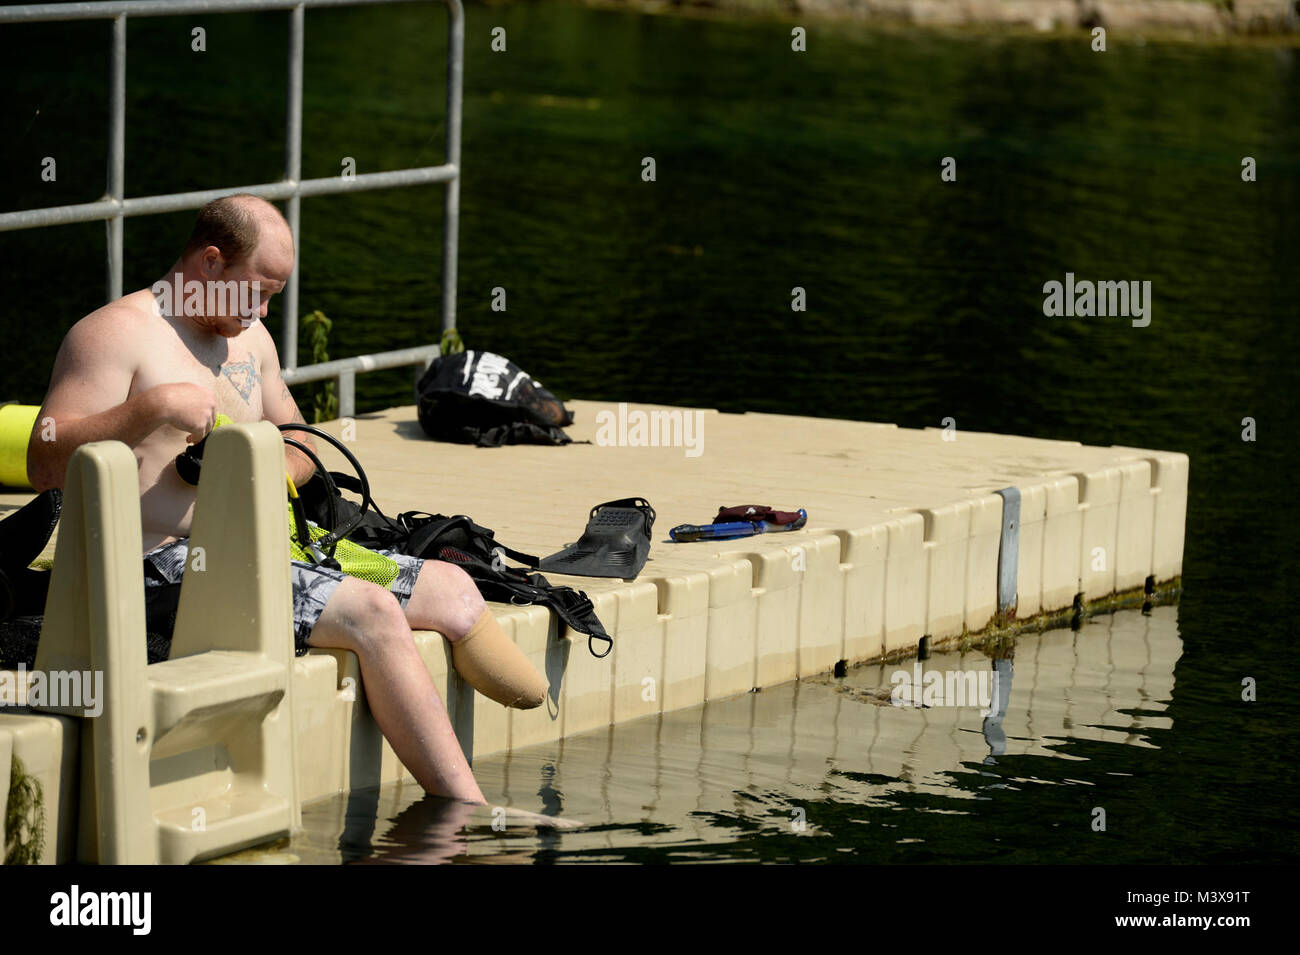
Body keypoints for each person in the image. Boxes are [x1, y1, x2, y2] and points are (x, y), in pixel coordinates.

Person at [25, 193, 551, 807]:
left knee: (454, 591)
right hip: (160, 563)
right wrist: (151, 410)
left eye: (274, 295)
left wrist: (248, 470)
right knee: (373, 615)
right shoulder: (113, 334)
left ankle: (540, 721)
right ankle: (465, 810)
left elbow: (303, 447)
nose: (264, 310)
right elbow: (43, 461)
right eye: (258, 291)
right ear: (212, 262)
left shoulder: (252, 341)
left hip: (267, 548)